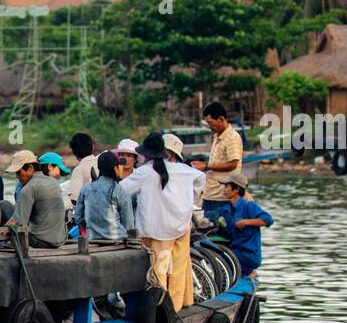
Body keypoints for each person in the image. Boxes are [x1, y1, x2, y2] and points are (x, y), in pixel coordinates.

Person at [120, 132, 205, 311]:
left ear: (148, 154)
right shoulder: (181, 169)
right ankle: (177, 305)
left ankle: (160, 310)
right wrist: (191, 199)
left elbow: (121, 191)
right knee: (179, 268)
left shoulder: (144, 172)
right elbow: (201, 178)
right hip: (181, 225)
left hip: (157, 230)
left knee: (158, 271)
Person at [4, 150, 66, 248]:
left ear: (30, 168)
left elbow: (17, 222)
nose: (17, 176)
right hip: (60, 240)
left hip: (40, 240)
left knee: (4, 205)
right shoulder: (54, 183)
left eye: (19, 172)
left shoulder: (28, 188)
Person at [193, 101, 243, 224]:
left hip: (222, 195)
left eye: (210, 122)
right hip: (209, 193)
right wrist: (203, 165)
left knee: (221, 230)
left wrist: (206, 166)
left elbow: (233, 164)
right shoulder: (217, 136)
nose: (209, 126)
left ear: (221, 119)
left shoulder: (232, 137)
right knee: (206, 228)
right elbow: (217, 162)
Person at [218, 172, 274, 276]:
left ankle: (249, 272)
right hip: (235, 251)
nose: (223, 190)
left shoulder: (249, 206)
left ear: (236, 190)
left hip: (248, 254)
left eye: (226, 186)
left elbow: (268, 220)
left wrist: (246, 222)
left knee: (221, 258)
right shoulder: (225, 209)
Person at [75, 151, 135, 242]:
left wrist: (93, 227)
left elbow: (78, 217)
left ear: (99, 168)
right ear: (115, 168)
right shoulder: (120, 190)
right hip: (117, 239)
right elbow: (129, 224)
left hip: (92, 238)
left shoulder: (86, 188)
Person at [65, 132, 98, 206]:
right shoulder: (101, 163)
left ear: (73, 152)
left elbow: (75, 199)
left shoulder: (79, 169)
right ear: (92, 147)